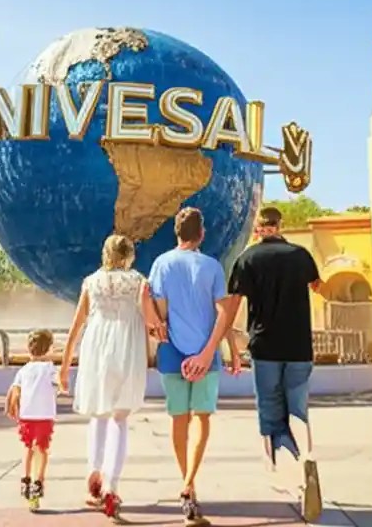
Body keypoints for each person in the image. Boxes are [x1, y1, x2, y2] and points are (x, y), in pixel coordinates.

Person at [226, 205, 324, 522]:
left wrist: (228, 338)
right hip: (299, 346)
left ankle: (291, 468)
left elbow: (235, 302)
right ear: (280, 225)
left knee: (271, 413)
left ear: (258, 228)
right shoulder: (301, 255)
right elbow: (317, 286)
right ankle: (308, 455)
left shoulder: (248, 259)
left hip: (265, 346)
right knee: (298, 409)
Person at [148, 207, 239, 527]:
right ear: (201, 234)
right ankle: (189, 482)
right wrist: (207, 353)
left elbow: (159, 312)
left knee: (179, 419)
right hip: (206, 353)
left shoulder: (161, 264)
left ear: (176, 233)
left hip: (172, 353)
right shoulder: (212, 266)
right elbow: (224, 315)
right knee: (202, 418)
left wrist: (164, 336)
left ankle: (187, 482)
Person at [59, 235, 157, 521]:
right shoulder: (139, 281)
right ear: (129, 255)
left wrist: (64, 365)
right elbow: (150, 319)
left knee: (98, 414)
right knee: (120, 417)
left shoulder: (91, 281)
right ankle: (112, 486)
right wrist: (158, 342)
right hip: (126, 347)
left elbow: (77, 324)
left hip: (97, 346)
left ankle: (94, 471)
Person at [6, 329, 60, 509]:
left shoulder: (24, 369)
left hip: (27, 416)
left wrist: (12, 406)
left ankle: (26, 478)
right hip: (44, 415)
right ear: (49, 348)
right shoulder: (50, 368)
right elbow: (60, 384)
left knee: (29, 448)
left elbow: (15, 390)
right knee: (42, 449)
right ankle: (38, 481)